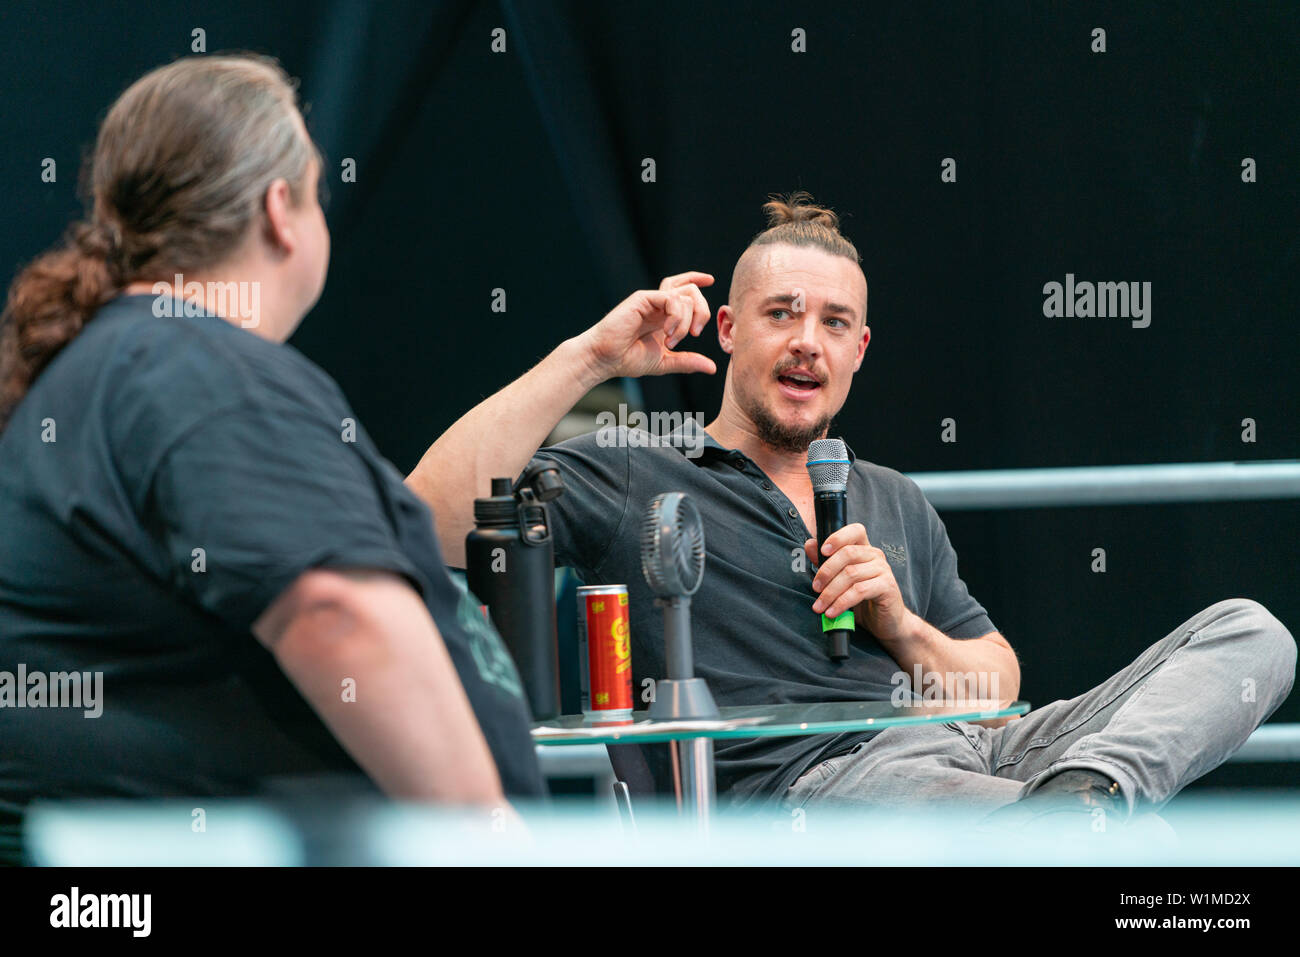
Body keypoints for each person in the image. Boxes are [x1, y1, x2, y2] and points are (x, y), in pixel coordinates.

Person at [406, 192, 1296, 830]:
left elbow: (995, 687)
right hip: (822, 787)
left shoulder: (891, 497)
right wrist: (590, 357)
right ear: (727, 329)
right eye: (781, 312)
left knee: (1252, 633)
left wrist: (901, 623)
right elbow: (429, 519)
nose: (807, 340)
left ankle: (1085, 803)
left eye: (834, 322)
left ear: (859, 349)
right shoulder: (640, 470)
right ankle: (1070, 827)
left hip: (980, 752)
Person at [0, 54, 543, 861]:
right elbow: (337, 613)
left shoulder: (123, 365)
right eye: (318, 191)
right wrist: (491, 841)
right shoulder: (197, 369)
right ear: (280, 209)